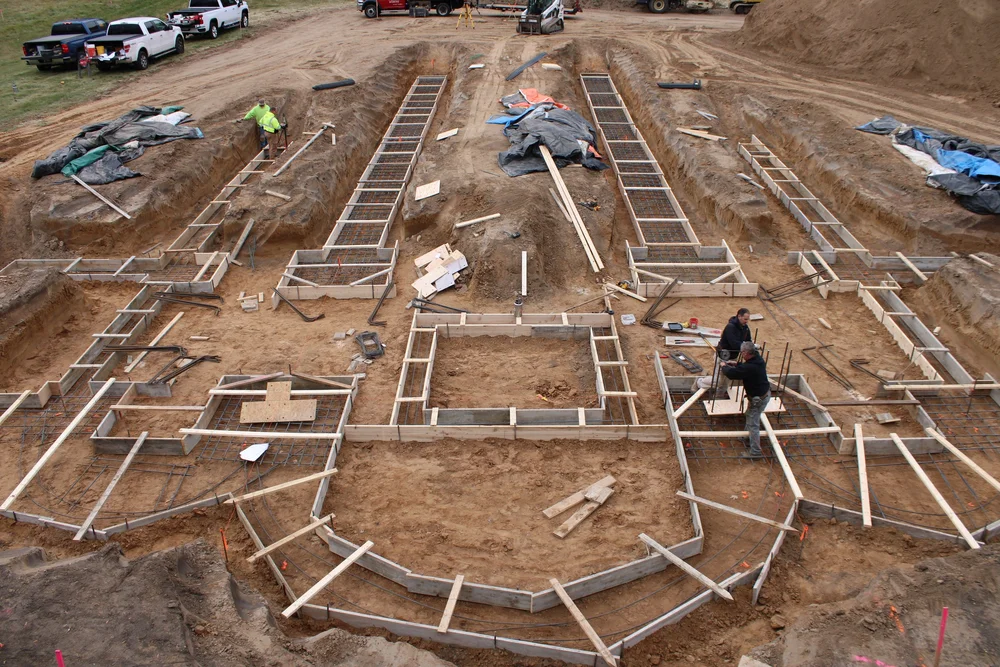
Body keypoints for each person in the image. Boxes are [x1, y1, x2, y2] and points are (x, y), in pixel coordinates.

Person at [721, 341, 770, 460]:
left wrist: (724, 367)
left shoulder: (750, 367)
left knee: (754, 424)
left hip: (758, 399)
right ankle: (746, 437)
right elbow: (745, 368)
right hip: (763, 394)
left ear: (746, 353)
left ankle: (755, 451)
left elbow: (733, 374)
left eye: (742, 352)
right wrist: (737, 364)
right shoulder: (757, 359)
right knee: (750, 415)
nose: (741, 354)